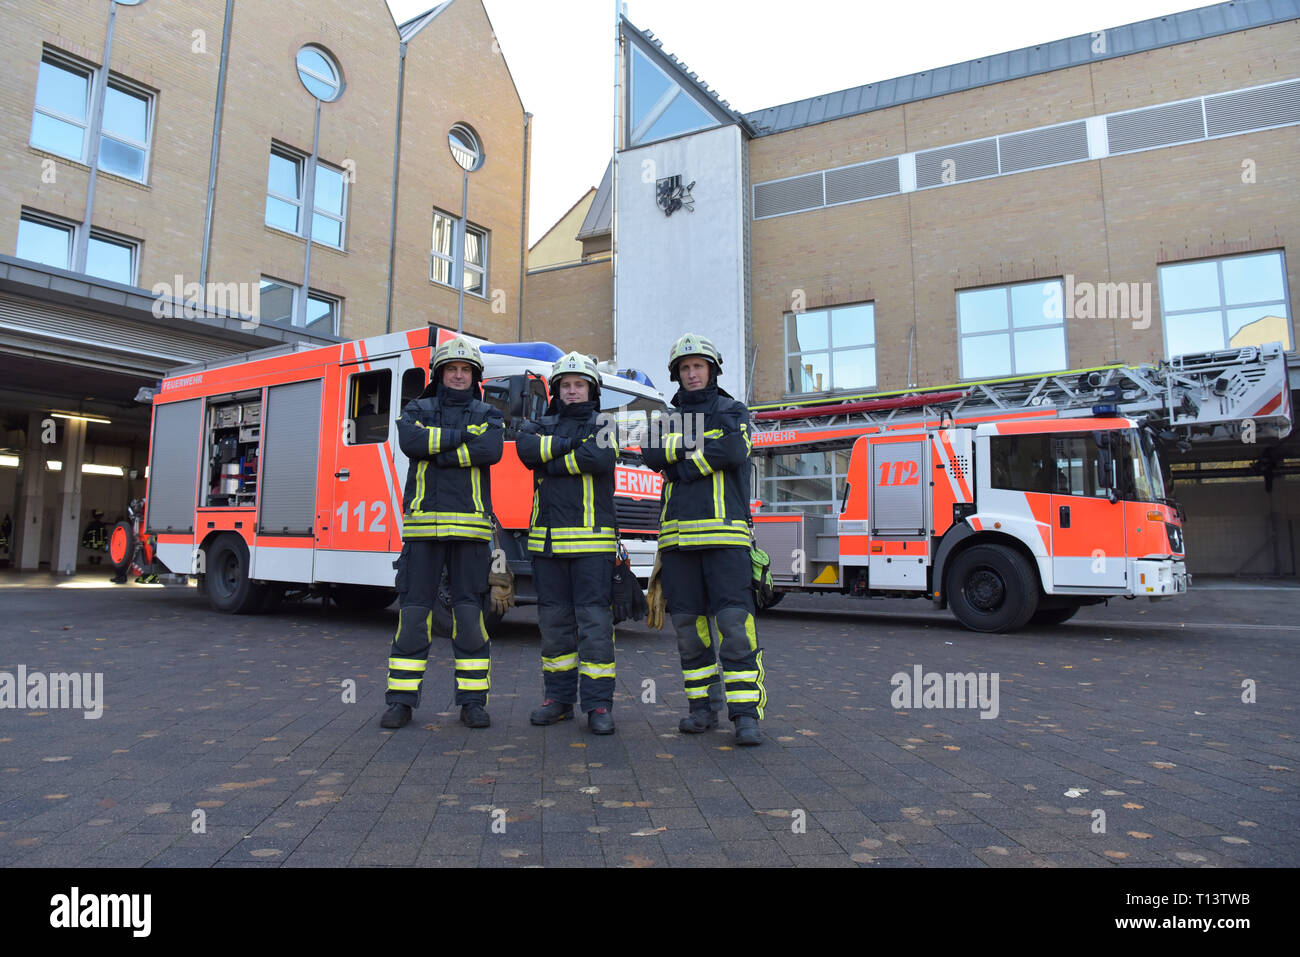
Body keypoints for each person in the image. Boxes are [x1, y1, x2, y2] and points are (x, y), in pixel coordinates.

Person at [643, 334, 766, 746]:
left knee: (735, 626)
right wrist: (700, 450)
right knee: (688, 630)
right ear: (676, 374)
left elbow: (733, 450)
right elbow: (651, 453)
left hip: (726, 539)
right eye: (685, 367)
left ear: (712, 369)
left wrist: (683, 460)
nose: (692, 373)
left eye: (699, 366)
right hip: (678, 544)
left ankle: (746, 714)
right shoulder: (665, 416)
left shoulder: (734, 410)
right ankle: (702, 709)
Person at [381, 336, 504, 730]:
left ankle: (473, 702)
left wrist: (436, 450)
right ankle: (400, 701)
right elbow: (410, 441)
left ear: (474, 376)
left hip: (469, 532)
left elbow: (491, 450)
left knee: (470, 618)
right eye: (451, 368)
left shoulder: (488, 412)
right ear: (439, 373)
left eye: (465, 369)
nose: (458, 375)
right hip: (422, 530)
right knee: (414, 616)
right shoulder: (417, 407)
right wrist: (461, 439)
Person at [515, 352, 618, 734]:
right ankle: (558, 700)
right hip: (547, 546)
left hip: (593, 546)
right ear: (556, 390)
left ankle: (598, 706)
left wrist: (551, 457)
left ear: (591, 388)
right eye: (566, 385)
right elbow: (527, 453)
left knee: (594, 624)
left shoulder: (605, 422)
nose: (572, 391)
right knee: (554, 625)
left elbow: (600, 457)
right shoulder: (536, 424)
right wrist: (573, 449)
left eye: (579, 384)